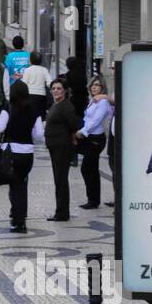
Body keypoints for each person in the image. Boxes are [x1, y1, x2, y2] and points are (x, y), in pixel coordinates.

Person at [0, 81, 46, 233]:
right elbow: (39, 135)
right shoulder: (34, 109)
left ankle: (17, 220)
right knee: (22, 184)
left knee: (15, 187)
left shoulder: (8, 108)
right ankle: (21, 218)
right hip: (27, 153)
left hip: (11, 152)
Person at [43, 79, 81, 222]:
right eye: (53, 88)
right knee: (58, 179)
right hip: (55, 146)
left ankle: (62, 212)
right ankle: (60, 211)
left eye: (59, 88)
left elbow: (73, 124)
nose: (56, 91)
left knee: (60, 179)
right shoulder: (56, 104)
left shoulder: (66, 106)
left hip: (62, 147)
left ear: (65, 90)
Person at [77, 76, 115, 210]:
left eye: (97, 85)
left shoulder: (102, 103)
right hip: (90, 137)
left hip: (96, 139)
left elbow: (95, 121)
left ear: (102, 87)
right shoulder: (93, 100)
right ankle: (93, 199)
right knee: (90, 169)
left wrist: (82, 131)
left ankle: (93, 200)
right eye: (92, 85)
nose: (94, 87)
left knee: (88, 168)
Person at [22, 52, 52, 121]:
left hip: (30, 95)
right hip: (41, 96)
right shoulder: (44, 70)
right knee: (41, 117)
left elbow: (24, 84)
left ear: (30, 60)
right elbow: (50, 82)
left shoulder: (27, 70)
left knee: (29, 117)